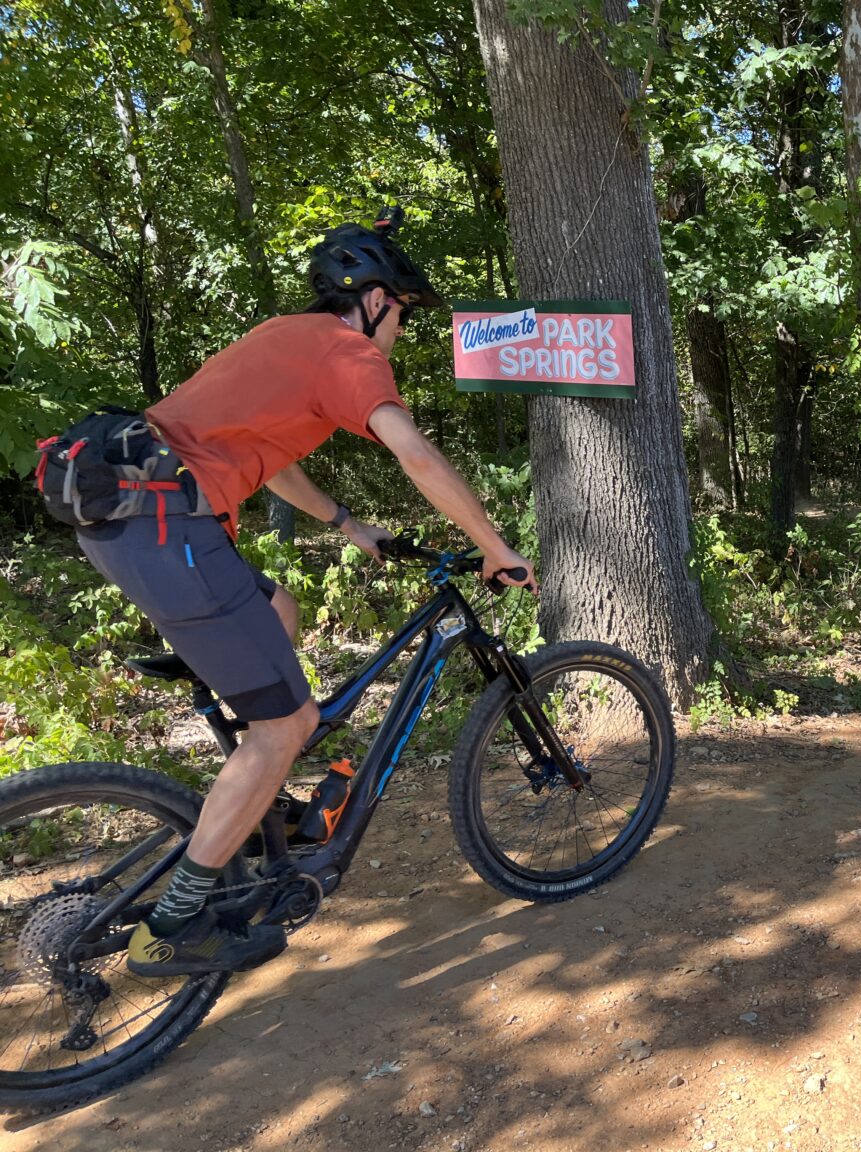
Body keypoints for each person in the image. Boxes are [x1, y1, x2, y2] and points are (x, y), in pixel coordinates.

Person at [74, 210, 536, 977]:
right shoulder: (348, 351)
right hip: (168, 529)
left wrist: (351, 524)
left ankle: (259, 789)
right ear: (376, 299)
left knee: (280, 609)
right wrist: (496, 549)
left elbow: (275, 458)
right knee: (286, 723)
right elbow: (414, 454)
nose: (399, 332)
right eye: (403, 315)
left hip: (129, 521)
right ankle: (174, 927)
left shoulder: (280, 337)